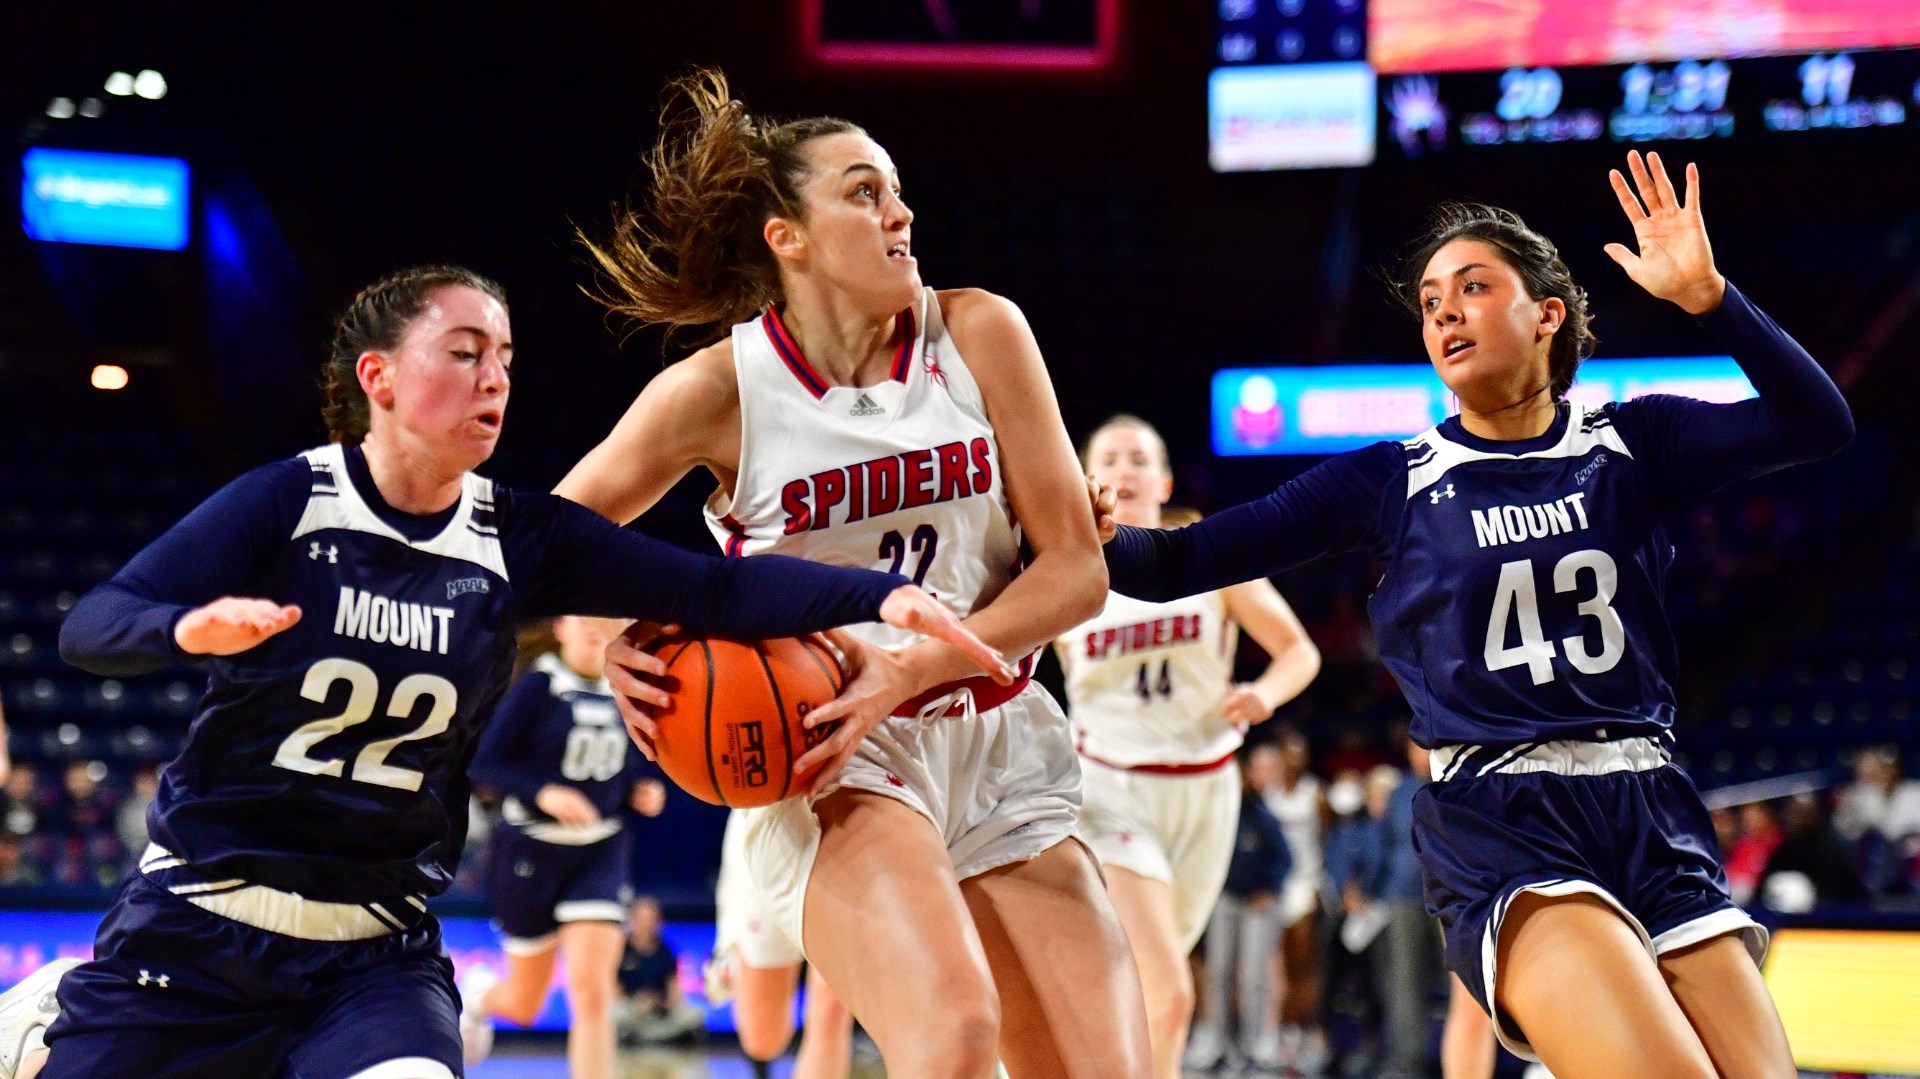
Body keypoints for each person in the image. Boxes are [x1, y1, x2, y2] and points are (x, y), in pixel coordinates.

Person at [0, 264, 1003, 1079]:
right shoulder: (288, 501)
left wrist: (879, 599)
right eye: (466, 353)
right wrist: (188, 628)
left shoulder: (518, 536)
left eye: (507, 360)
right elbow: (94, 623)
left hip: (371, 956)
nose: (495, 380)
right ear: (379, 377)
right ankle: (49, 1019)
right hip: (197, 933)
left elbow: (718, 593)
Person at [1098, 152, 1852, 1077]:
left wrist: (1713, 299)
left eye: (1473, 286)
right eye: (1428, 300)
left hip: (1652, 803)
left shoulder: (1634, 442)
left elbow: (1820, 423)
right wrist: (1058, 524)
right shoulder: (1393, 479)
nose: (1444, 309)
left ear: (1548, 315)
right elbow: (1176, 559)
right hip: (1506, 819)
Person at [561, 67, 1150, 1078]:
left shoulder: (980, 331)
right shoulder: (718, 390)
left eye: (897, 188)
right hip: (837, 754)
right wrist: (609, 643)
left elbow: (1075, 573)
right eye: (864, 190)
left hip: (997, 735)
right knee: (954, 1037)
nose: (901, 211)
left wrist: (915, 668)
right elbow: (545, 542)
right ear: (786, 235)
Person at [1056, 415, 1320, 1079]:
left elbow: (1300, 652)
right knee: (1171, 993)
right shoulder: (1063, 568)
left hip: (1205, 790)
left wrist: (1264, 693)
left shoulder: (1206, 556)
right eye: (1109, 457)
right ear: (1086, 478)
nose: (1124, 469)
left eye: (1140, 458)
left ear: (1164, 479)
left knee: (1144, 987)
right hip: (1107, 790)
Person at [459, 615, 670, 1078]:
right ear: (560, 628)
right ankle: (476, 997)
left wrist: (641, 791)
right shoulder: (539, 687)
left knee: (592, 993)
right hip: (530, 851)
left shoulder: (626, 691)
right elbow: (484, 765)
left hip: (599, 852)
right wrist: (543, 793)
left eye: (605, 618)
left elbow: (625, 768)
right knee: (524, 1005)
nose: (595, 626)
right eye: (582, 617)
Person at [707, 809, 856, 1079]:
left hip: (847, 820)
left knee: (831, 1010)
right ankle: (732, 950)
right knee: (763, 1039)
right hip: (771, 820)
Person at [1185, 747, 1292, 1075]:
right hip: (1225, 899)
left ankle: (1255, 1044)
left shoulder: (1264, 813)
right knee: (1218, 972)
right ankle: (1217, 1042)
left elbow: (1284, 859)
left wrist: (1269, 889)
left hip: (1258, 903)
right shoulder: (1218, 813)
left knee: (1255, 976)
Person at [1254, 729, 1328, 1070]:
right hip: (1275, 886)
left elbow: (1327, 840)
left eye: (1301, 753)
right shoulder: (1267, 796)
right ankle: (1278, 1032)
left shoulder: (1315, 794)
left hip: (1305, 884)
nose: (1295, 759)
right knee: (1275, 967)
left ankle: (1305, 1029)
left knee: (1303, 963)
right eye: (1289, 753)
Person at [615, 896, 705, 1046]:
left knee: (694, 1014)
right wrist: (637, 1003)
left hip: (660, 1013)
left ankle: (667, 1041)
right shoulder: (621, 950)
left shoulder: (665, 950)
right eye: (642, 918)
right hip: (632, 1012)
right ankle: (630, 1040)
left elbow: (674, 988)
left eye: (651, 919)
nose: (646, 924)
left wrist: (661, 1003)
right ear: (632, 920)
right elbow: (613, 990)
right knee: (616, 1013)